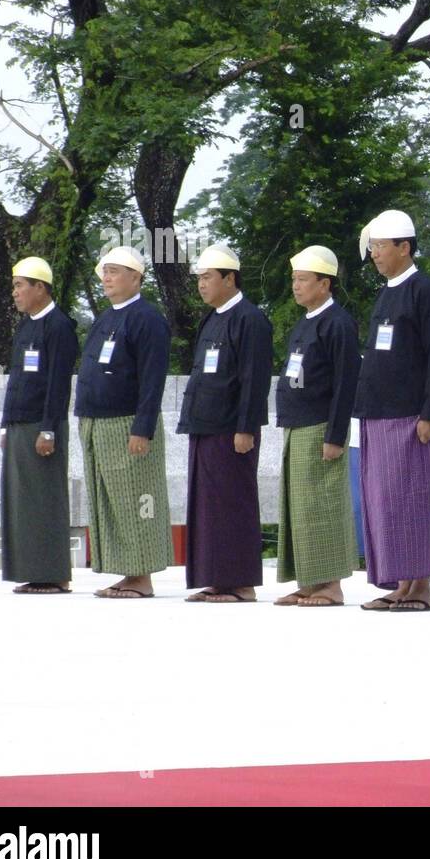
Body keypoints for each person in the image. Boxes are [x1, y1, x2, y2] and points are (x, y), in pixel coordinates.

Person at [355, 210, 430, 613]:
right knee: (383, 500)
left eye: (381, 246)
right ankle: (400, 581)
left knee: (411, 496)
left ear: (405, 247)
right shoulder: (385, 293)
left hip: (410, 415)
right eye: (373, 247)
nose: (375, 254)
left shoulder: (425, 291)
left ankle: (421, 585)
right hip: (376, 412)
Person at [177, 244, 273, 603]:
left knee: (233, 503)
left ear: (229, 279)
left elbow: (254, 379)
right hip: (204, 425)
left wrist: (246, 427)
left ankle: (240, 582)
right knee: (208, 507)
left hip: (232, 429)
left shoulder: (250, 319)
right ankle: (216, 578)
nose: (201, 285)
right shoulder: (212, 318)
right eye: (199, 279)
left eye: (207, 278)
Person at [75, 246, 172, 599]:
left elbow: (152, 378)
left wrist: (142, 428)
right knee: (108, 501)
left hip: (127, 424)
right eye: (104, 272)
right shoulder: (105, 318)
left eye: (115, 272)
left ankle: (141, 575)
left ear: (136, 277)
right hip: (96, 423)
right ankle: (124, 571)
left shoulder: (147, 318)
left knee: (135, 499)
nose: (107, 279)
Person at [273, 246, 361, 607]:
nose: (296, 286)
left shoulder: (337, 323)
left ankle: (330, 585)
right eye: (294, 279)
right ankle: (309, 581)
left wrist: (335, 435)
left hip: (321, 426)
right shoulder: (305, 321)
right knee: (300, 508)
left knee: (322, 505)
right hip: (297, 425)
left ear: (324, 284)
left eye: (303, 280)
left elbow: (345, 382)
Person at [0, 256, 79, 594]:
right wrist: (5, 424)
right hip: (19, 424)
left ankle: (54, 573)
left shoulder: (58, 326)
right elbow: (16, 378)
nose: (15, 293)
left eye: (20, 286)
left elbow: (58, 384)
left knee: (45, 500)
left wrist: (48, 428)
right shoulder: (26, 326)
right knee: (23, 502)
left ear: (40, 288)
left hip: (41, 427)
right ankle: (32, 571)